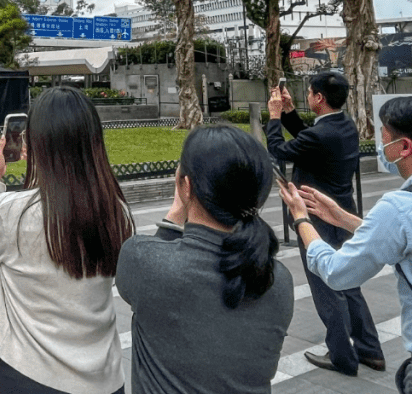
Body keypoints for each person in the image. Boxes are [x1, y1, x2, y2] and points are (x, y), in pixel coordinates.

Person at [0, 86, 132, 394]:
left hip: (28, 375)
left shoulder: (12, 211)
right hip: (105, 379)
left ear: (36, 143)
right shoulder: (117, 211)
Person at [117, 125, 294, 394]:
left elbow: (152, 267)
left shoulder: (143, 259)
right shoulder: (279, 281)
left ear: (186, 186)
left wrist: (176, 212)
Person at [278, 96, 412, 394]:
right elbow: (411, 238)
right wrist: (343, 218)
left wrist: (301, 220)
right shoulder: (404, 213)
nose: (381, 144)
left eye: (384, 135)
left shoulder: (398, 208)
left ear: (405, 147)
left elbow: (336, 273)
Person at [266, 72, 385, 375]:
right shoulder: (344, 126)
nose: (305, 96)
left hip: (318, 218)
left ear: (319, 98)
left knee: (326, 287)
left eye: (308, 93)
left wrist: (276, 116)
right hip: (344, 214)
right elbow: (307, 139)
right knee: (350, 283)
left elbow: (279, 150)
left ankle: (342, 357)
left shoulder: (320, 135)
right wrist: (291, 113)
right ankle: (370, 350)